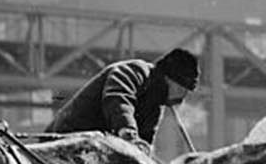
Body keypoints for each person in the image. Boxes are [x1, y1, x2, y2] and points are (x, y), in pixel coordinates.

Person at [47, 47, 200, 148]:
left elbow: (145, 142)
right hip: (66, 138)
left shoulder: (154, 108)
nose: (182, 96)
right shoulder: (134, 71)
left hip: (97, 149)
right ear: (168, 79)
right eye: (181, 88)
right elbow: (118, 99)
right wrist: (127, 133)